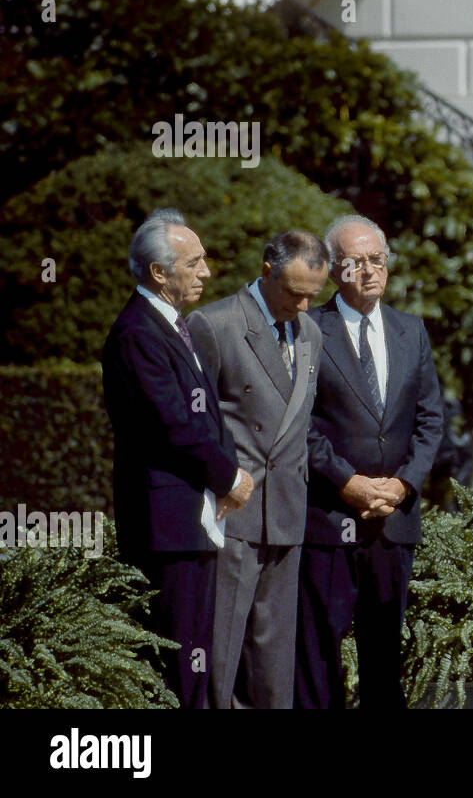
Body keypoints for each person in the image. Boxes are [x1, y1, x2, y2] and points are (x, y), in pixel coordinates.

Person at [101, 208, 253, 709]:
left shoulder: (172, 327)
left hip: (189, 519)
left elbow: (209, 414)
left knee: (194, 656)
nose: (206, 272)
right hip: (166, 528)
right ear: (159, 272)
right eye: (195, 263)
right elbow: (173, 426)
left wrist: (225, 476)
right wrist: (228, 475)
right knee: (177, 658)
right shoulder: (137, 334)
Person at [295, 215, 444, 709]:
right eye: (356, 262)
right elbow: (299, 423)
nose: (369, 271)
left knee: (384, 662)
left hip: (392, 524)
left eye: (377, 259)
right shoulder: (308, 330)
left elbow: (429, 422)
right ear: (334, 270)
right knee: (318, 660)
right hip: (330, 518)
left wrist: (402, 487)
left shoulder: (411, 330)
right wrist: (347, 481)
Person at [188, 231, 328, 709]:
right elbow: (194, 424)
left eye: (314, 294)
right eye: (294, 292)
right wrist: (221, 485)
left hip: (288, 511)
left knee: (274, 660)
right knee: (221, 652)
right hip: (233, 513)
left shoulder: (310, 332)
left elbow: (301, 423)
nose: (305, 305)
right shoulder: (214, 324)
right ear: (267, 270)